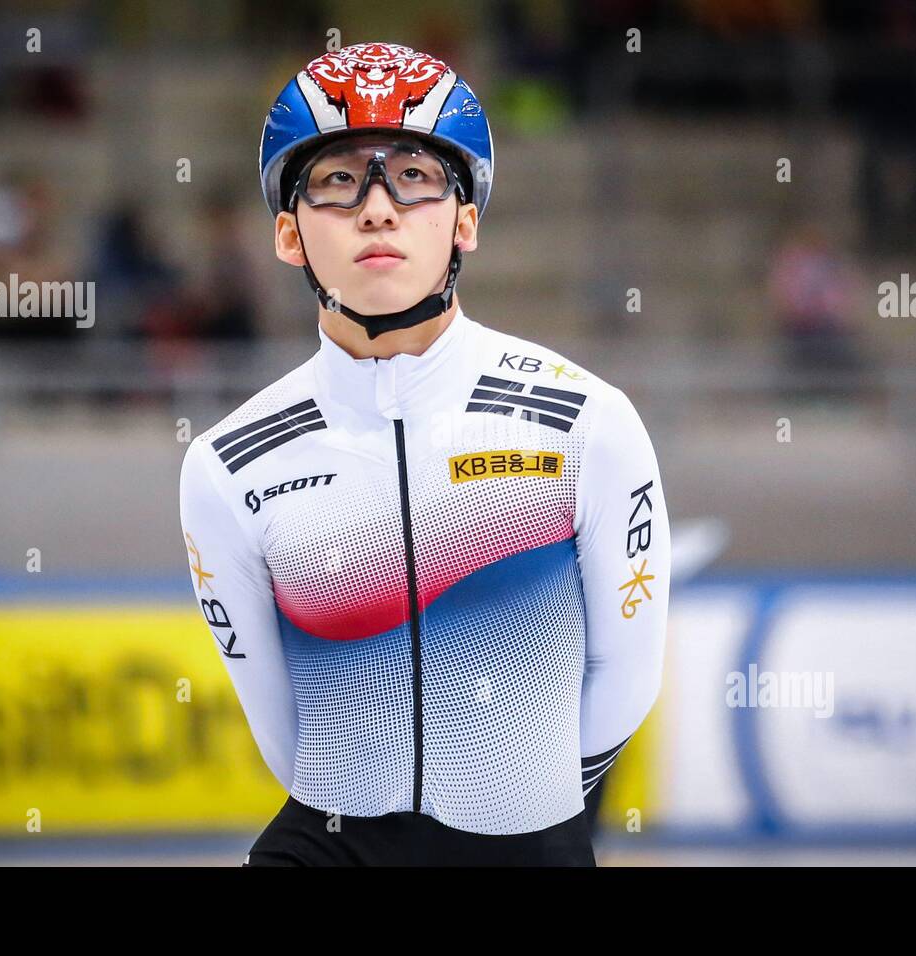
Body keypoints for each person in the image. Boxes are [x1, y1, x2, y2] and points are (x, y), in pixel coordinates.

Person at [178, 41, 671, 866]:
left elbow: (627, 680)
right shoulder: (229, 464)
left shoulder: (587, 423)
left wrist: (525, 803)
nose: (377, 208)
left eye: (413, 176)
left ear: (465, 221)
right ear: (288, 235)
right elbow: (278, 726)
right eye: (338, 180)